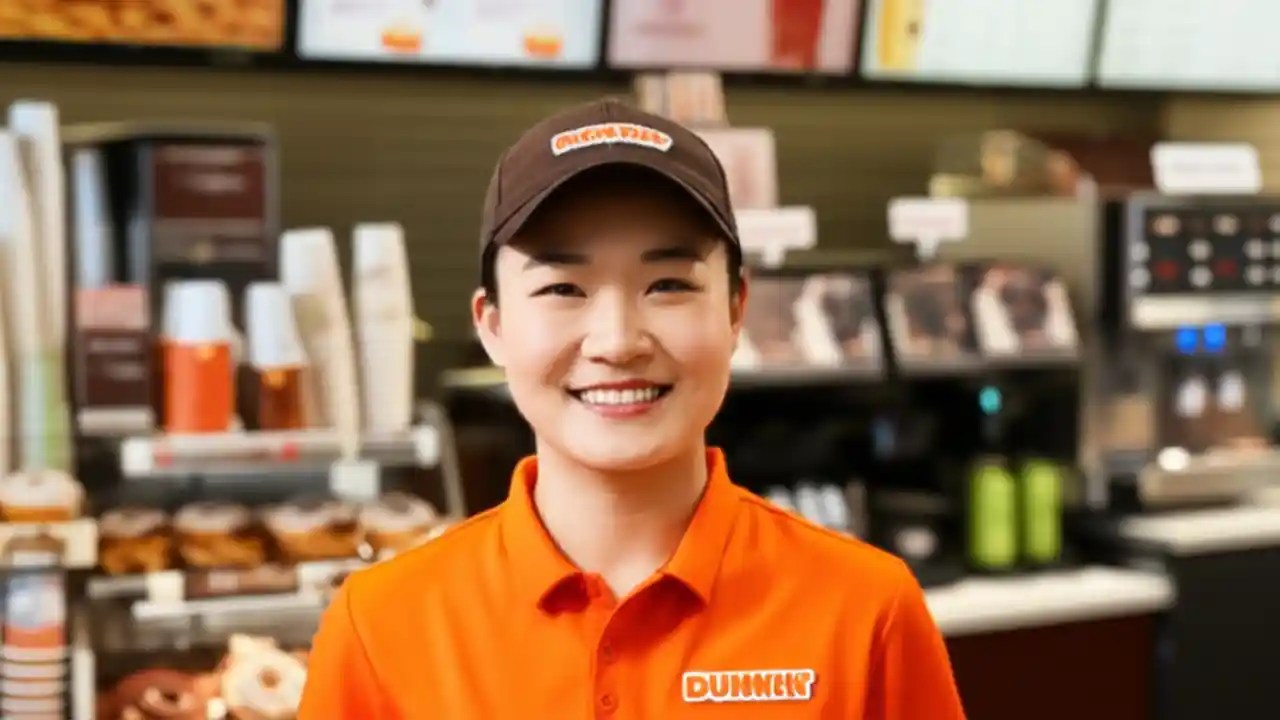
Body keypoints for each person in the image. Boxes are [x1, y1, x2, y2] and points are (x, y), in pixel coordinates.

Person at [299, 98, 966, 719]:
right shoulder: (380, 627)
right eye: (563, 287)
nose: (617, 342)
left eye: (668, 284)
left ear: (737, 311)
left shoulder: (867, 610)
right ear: (492, 324)